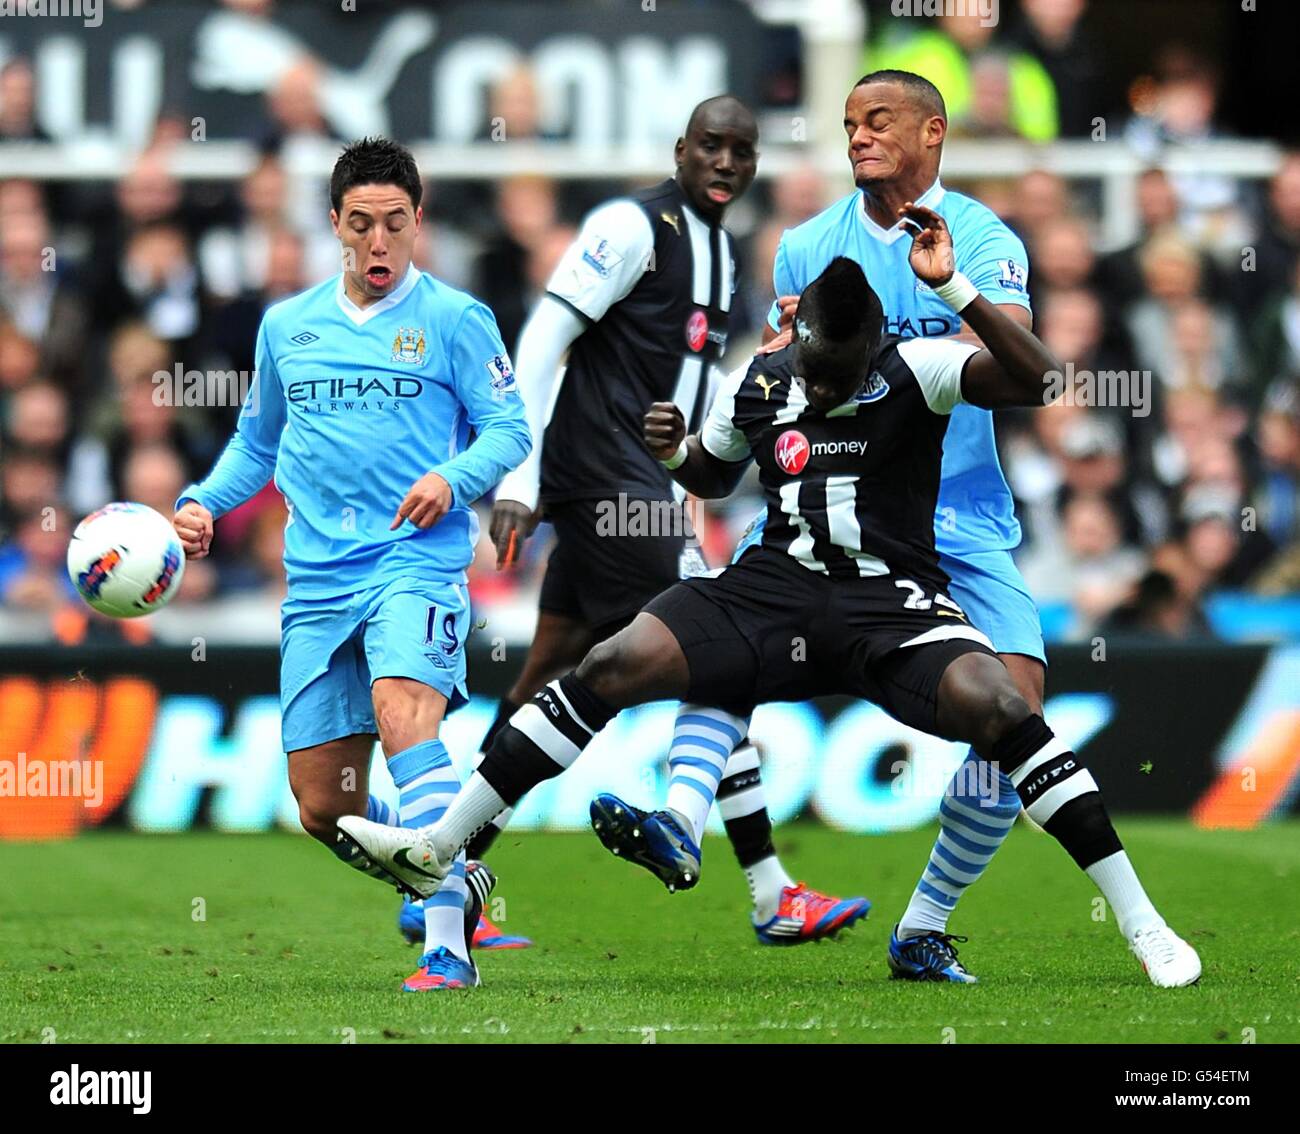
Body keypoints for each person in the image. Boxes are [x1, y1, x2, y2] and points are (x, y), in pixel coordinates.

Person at [339, 244, 1202, 990]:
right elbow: (712, 478)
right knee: (608, 663)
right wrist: (676, 448)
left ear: (876, 344)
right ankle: (440, 848)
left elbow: (1040, 378)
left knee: (1007, 712)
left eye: (839, 373)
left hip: (886, 604)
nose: (820, 387)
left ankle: (1143, 923)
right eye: (813, 367)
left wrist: (956, 291)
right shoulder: (762, 375)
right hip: (771, 588)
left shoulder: (925, 367)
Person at [593, 69, 1047, 976]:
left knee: (1020, 716)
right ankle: (688, 825)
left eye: (879, 121)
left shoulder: (986, 239)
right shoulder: (804, 246)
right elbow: (786, 378)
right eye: (848, 124)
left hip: (961, 519)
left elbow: (1017, 361)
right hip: (839, 515)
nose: (858, 137)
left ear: (934, 132)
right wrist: (705, 453)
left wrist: (949, 297)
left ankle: (922, 922)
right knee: (729, 644)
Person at [411, 94, 870, 950]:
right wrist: (519, 471)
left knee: (545, 674)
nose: (726, 162)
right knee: (729, 647)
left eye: (742, 150)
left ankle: (442, 884)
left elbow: (689, 383)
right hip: (603, 480)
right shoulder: (631, 225)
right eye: (711, 146)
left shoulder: (727, 253)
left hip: (647, 486)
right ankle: (769, 890)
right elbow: (541, 342)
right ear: (680, 149)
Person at [172, 137, 531, 993]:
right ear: (333, 223)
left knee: (405, 715)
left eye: (395, 224)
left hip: (414, 564)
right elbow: (255, 444)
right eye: (361, 224)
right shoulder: (287, 328)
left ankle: (446, 944)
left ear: (419, 223)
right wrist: (201, 504)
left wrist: (453, 478)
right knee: (321, 806)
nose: (379, 243)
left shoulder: (455, 319)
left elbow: (511, 430)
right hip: (318, 582)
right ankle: (452, 874)